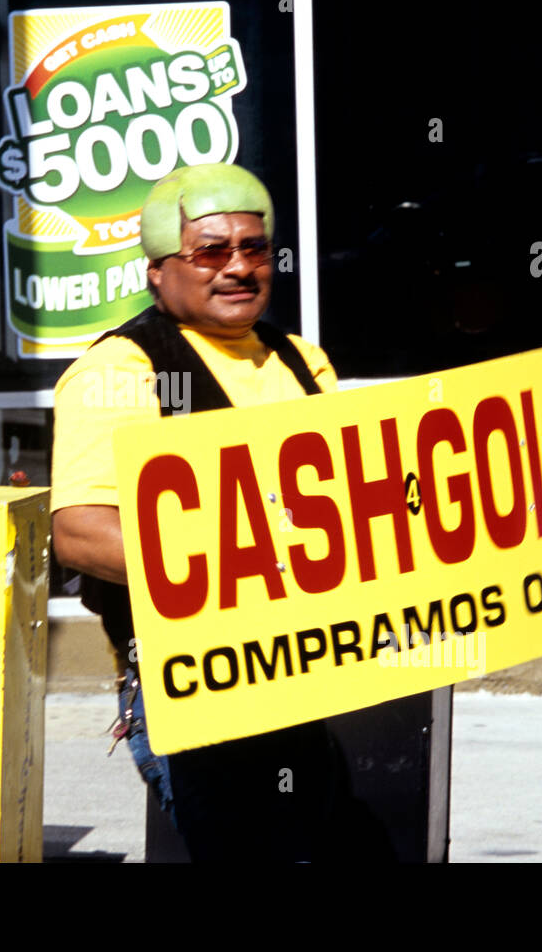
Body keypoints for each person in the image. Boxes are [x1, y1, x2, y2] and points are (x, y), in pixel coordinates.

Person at [50, 163, 360, 862]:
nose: (239, 268)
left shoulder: (303, 362)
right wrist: (245, 565)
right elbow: (80, 532)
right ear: (159, 270)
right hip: (189, 685)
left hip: (305, 673)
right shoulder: (122, 371)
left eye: (254, 248)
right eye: (212, 251)